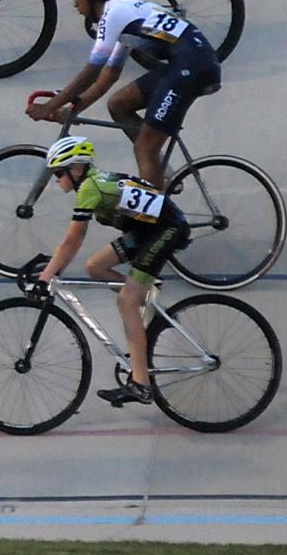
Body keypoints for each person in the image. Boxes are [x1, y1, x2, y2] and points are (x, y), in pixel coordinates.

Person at [26, 0, 221, 189]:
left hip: (192, 67)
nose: (75, 5)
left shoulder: (113, 14)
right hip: (191, 63)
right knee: (119, 104)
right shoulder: (123, 14)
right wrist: (73, 110)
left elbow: (91, 73)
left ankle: (154, 219)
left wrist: (50, 106)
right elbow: (110, 75)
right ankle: (160, 174)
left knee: (144, 148)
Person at [34, 135, 191, 407]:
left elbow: (73, 240)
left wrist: (46, 276)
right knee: (95, 266)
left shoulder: (90, 188)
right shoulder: (93, 180)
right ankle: (146, 294)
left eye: (59, 172)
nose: (56, 179)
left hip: (165, 230)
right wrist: (51, 266)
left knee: (125, 301)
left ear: (76, 169)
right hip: (147, 230)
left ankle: (140, 384)